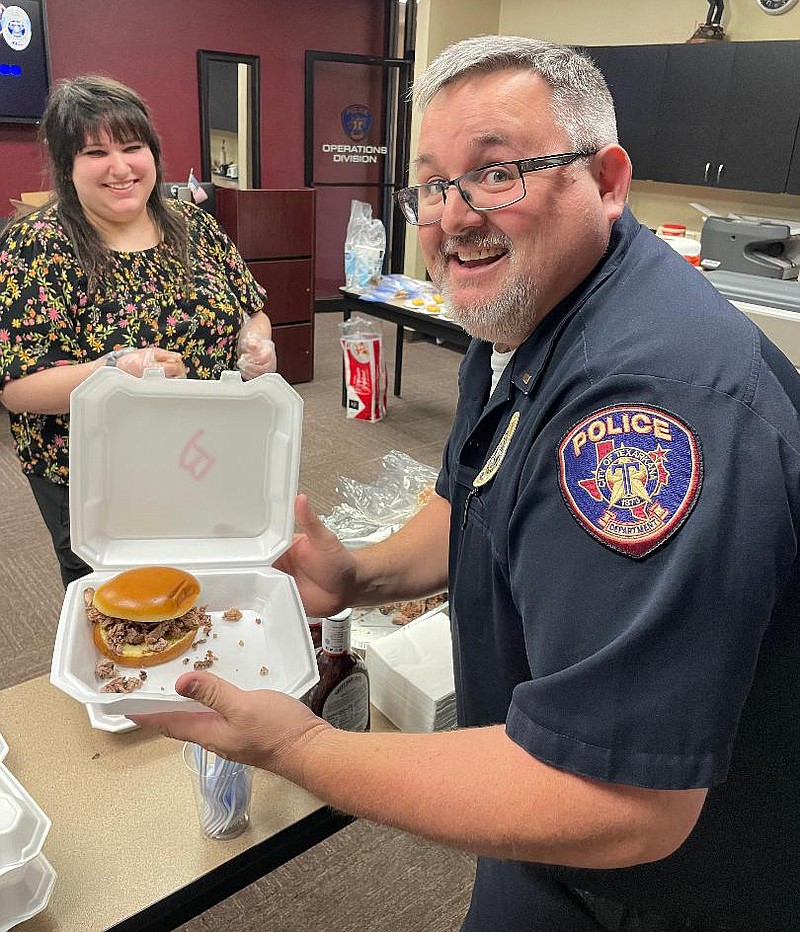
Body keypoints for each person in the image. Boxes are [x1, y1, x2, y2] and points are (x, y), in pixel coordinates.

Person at [132, 36, 800, 931]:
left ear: (606, 181)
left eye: (497, 174)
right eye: (434, 186)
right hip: (541, 821)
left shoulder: (652, 411)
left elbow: (622, 804)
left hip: (650, 885)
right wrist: (360, 574)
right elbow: (470, 499)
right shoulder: (523, 313)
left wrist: (300, 748)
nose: (451, 217)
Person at [0, 75, 277, 587]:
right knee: (120, 602)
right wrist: (117, 369)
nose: (121, 167)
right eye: (95, 152)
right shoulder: (36, 246)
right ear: (66, 165)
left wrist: (255, 343)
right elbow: (19, 389)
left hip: (208, 451)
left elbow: (250, 309)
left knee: (210, 583)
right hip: (99, 476)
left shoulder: (193, 225)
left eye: (133, 147)